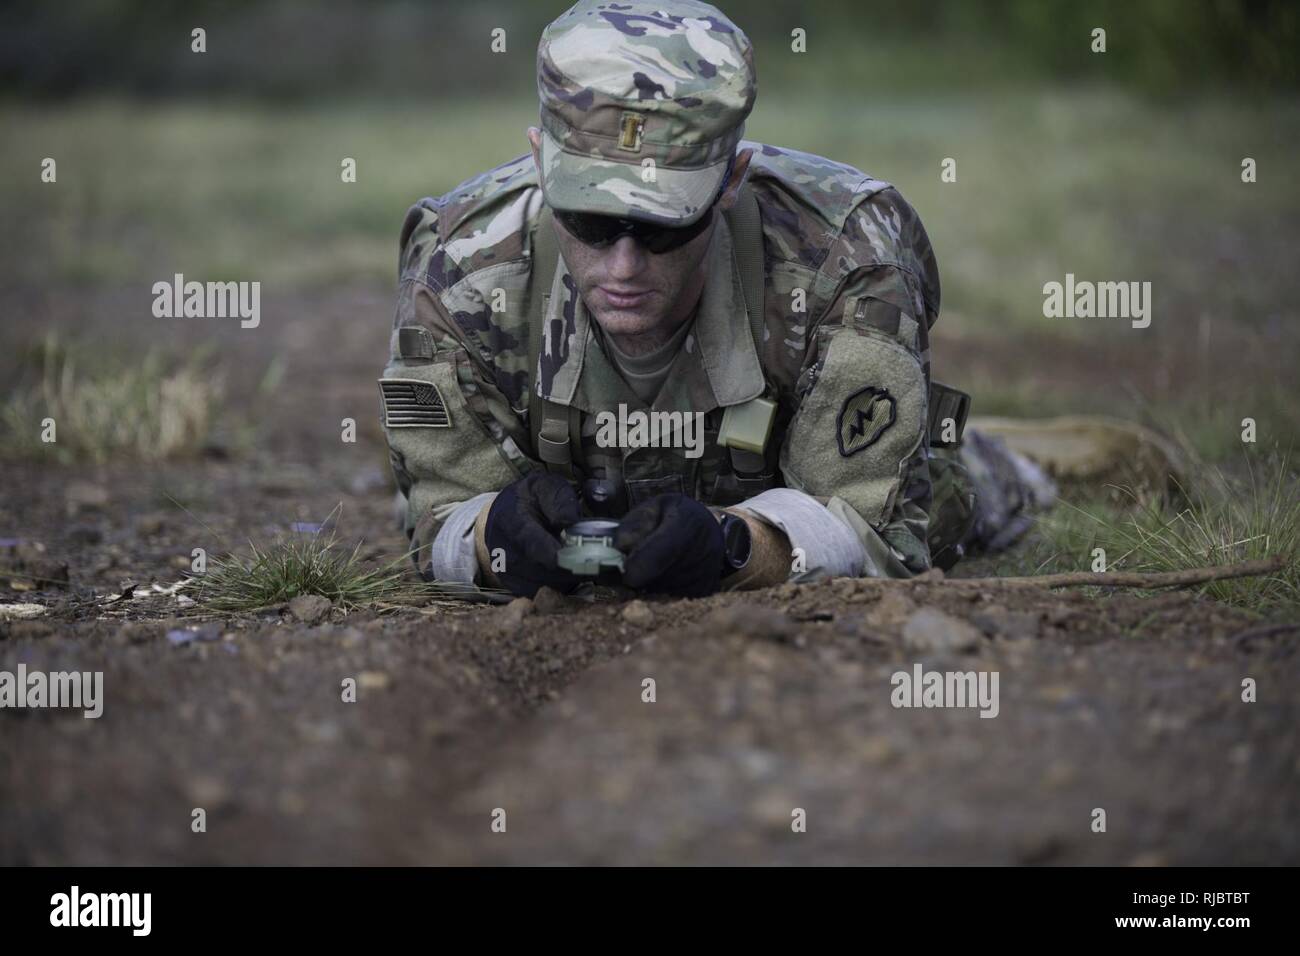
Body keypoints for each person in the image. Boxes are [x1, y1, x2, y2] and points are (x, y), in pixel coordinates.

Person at [379, 0, 1051, 599]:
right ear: (539, 162)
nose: (623, 265)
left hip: (797, 466)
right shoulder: (458, 270)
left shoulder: (845, 257)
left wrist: (735, 550)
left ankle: (1012, 458)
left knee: (948, 495)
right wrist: (491, 538)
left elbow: (875, 526)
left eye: (663, 227)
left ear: (732, 179)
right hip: (574, 469)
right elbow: (434, 514)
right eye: (587, 220)